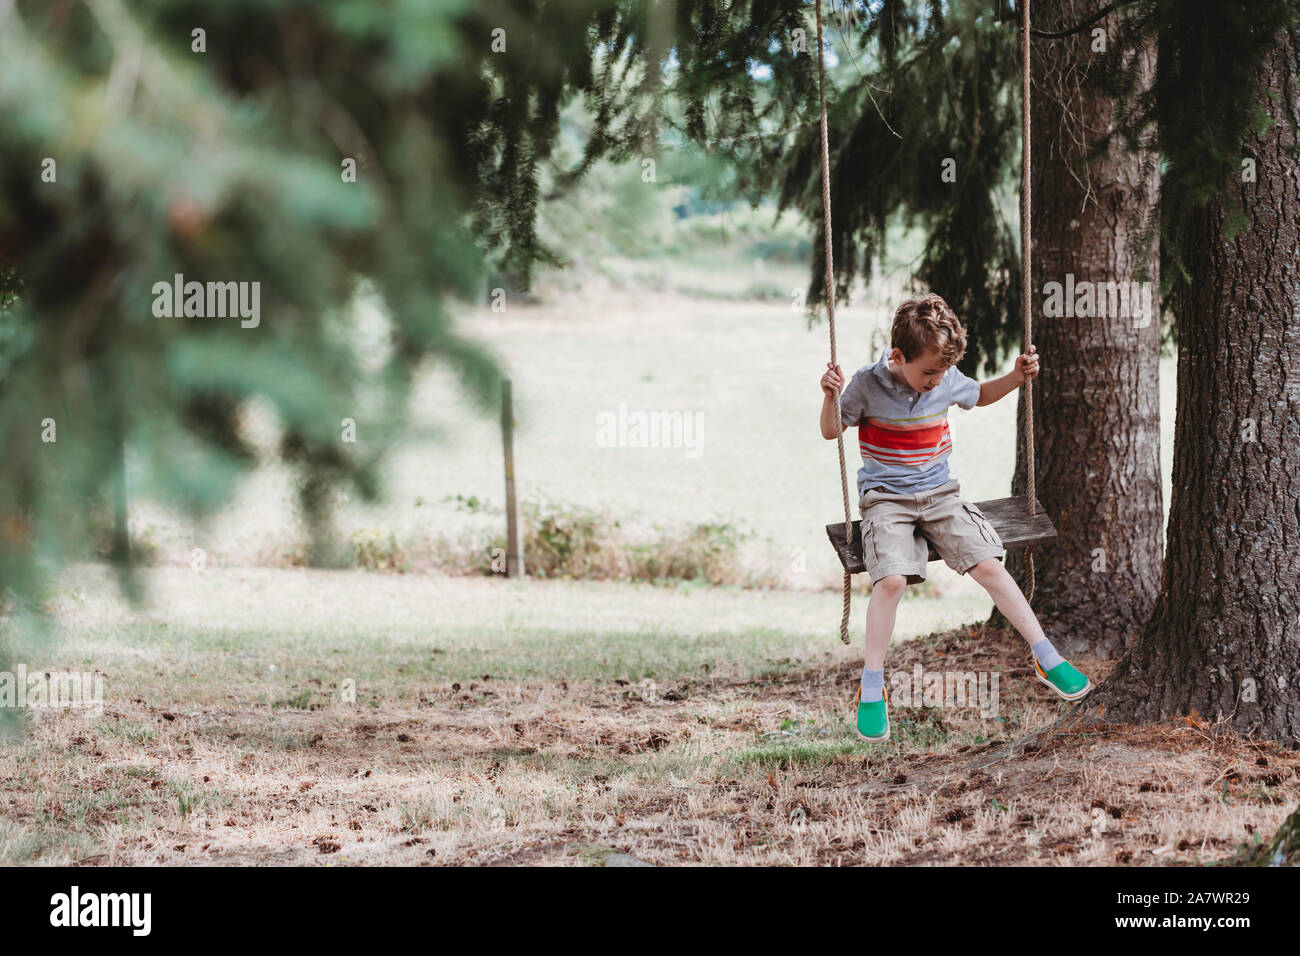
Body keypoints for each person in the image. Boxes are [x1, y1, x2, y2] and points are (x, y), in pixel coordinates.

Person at [819, 293, 1091, 743]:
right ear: (899, 356)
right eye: (928, 372)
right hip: (887, 499)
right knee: (889, 581)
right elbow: (832, 430)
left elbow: (979, 395)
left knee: (990, 565)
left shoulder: (943, 377)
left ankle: (1045, 654)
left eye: (942, 372)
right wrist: (830, 396)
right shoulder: (867, 384)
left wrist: (1015, 377)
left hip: (941, 495)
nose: (936, 381)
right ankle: (872, 685)